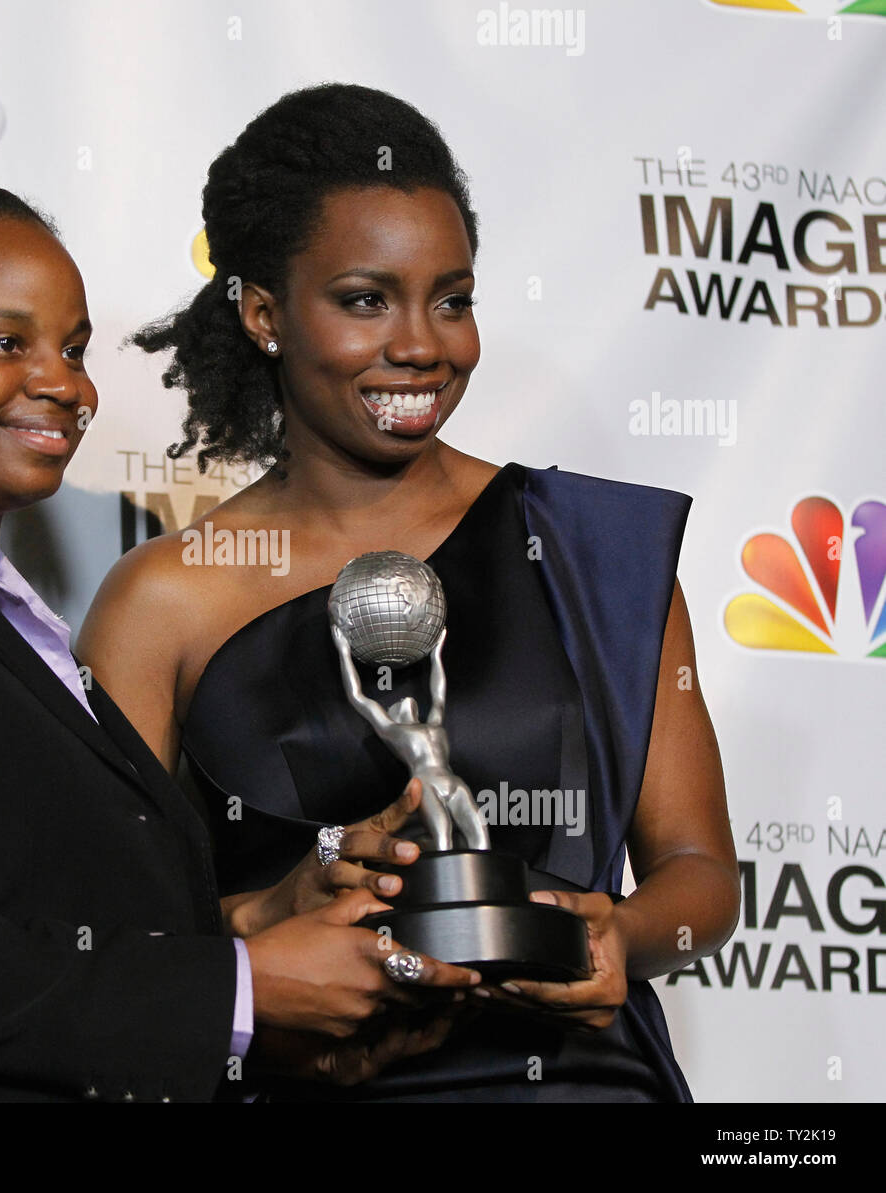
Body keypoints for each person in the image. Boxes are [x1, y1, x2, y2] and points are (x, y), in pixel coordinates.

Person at [0, 158, 479, 1102]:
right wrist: (245, 988)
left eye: (72, 349)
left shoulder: (10, 625)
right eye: (3, 342)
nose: (61, 384)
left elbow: (57, 930)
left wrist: (269, 915)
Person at [77, 84, 741, 1102]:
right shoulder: (161, 601)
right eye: (364, 299)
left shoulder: (584, 549)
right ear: (262, 312)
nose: (423, 345)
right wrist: (274, 906)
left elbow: (699, 870)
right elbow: (112, 945)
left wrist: (621, 933)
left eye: (451, 298)